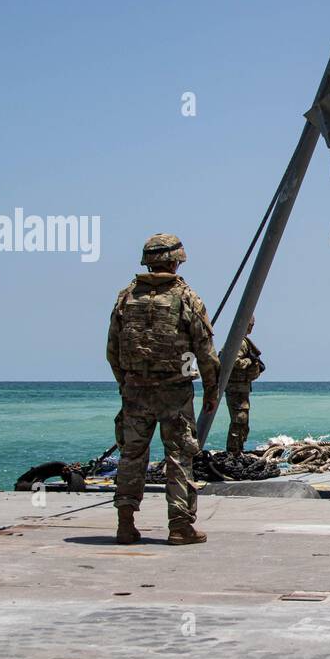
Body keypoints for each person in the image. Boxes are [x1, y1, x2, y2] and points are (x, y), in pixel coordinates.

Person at [106, 233, 219, 546]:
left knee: (131, 456)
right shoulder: (186, 297)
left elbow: (112, 349)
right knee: (180, 457)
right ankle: (179, 527)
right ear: (176, 260)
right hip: (175, 392)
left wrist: (126, 382)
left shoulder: (126, 297)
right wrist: (212, 390)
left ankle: (125, 525)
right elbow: (205, 351)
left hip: (134, 391)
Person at [224, 318, 266, 454]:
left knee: (243, 422)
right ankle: (233, 451)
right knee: (239, 421)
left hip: (241, 388)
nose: (251, 328)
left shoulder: (241, 341)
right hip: (236, 388)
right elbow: (234, 361)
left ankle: (238, 450)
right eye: (250, 325)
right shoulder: (240, 343)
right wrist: (250, 361)